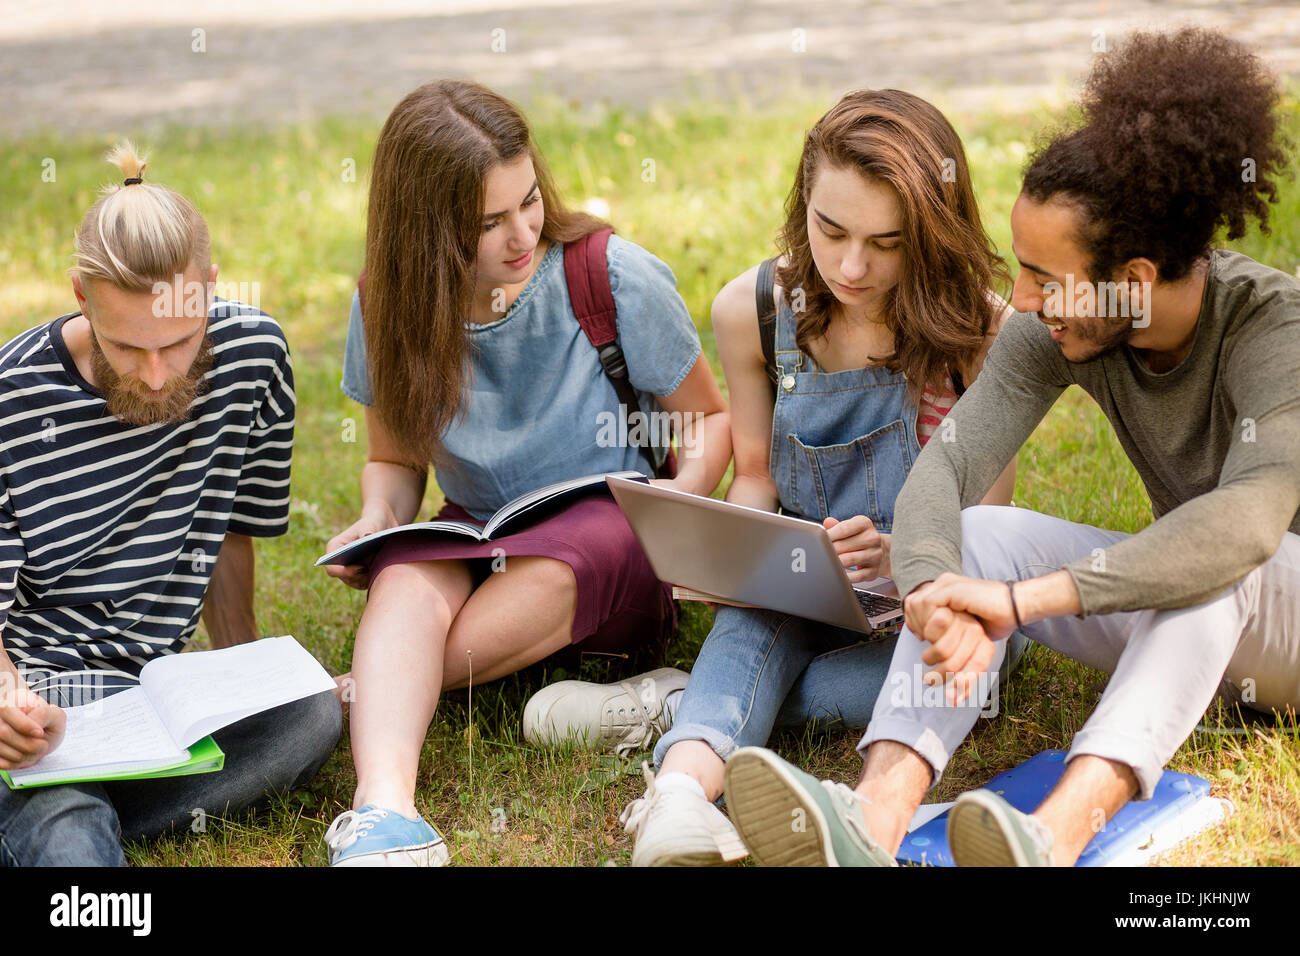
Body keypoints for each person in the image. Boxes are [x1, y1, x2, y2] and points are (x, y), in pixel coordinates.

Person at [721, 26, 1300, 867]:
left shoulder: (1273, 328)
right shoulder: (1060, 324)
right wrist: (930, 590)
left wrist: (1024, 606)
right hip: (1207, 623)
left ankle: (1054, 835)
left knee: (1213, 566)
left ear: (1131, 282)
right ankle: (872, 817)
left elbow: (1245, 528)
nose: (1020, 300)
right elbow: (947, 469)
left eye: (1044, 278)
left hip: (1274, 597)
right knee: (980, 540)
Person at [565, 88, 1024, 866]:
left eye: (887, 242)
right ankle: (675, 803)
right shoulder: (756, 311)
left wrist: (904, 549)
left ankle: (688, 703)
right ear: (801, 203)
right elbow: (753, 478)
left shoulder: (983, 330)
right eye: (831, 229)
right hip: (805, 591)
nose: (851, 265)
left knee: (969, 677)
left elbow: (990, 522)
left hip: (931, 608)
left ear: (934, 231)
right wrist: (733, 552)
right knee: (753, 624)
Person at [321, 80, 731, 867]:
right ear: (425, 230)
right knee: (406, 573)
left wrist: (680, 504)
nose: (521, 233)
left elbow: (706, 422)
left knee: (580, 545)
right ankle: (385, 814)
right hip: (481, 528)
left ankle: (370, 688)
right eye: (488, 221)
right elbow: (394, 458)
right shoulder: (388, 304)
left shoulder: (608, 275)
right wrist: (378, 518)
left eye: (529, 201)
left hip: (612, 535)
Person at [0, 142, 341, 867]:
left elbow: (226, 534)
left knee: (311, 713)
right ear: (81, 296)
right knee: (63, 823)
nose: (158, 378)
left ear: (209, 288)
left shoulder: (253, 359)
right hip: (39, 694)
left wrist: (250, 674)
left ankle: (71, 812)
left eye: (180, 343)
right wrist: (7, 705)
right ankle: (64, 819)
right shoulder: (11, 402)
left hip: (157, 693)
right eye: (127, 348)